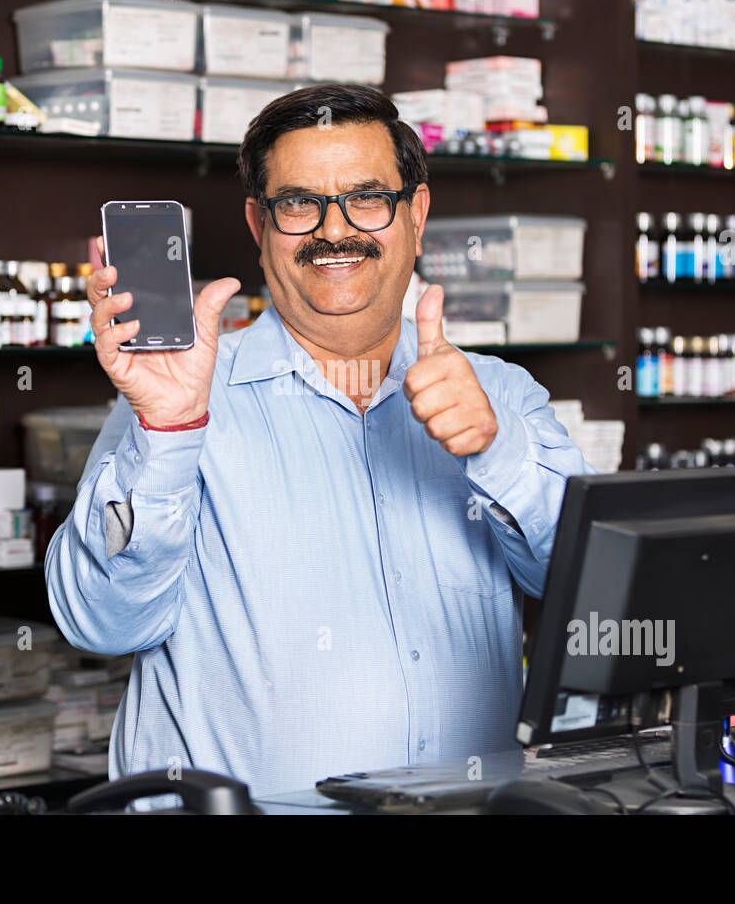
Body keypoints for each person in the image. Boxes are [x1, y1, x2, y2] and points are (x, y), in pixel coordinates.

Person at [45, 84, 594, 799]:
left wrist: (497, 452)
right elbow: (100, 622)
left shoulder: (499, 397)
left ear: (416, 212)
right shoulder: (180, 398)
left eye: (367, 198)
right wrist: (169, 432)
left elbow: (589, 598)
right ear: (259, 222)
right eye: (299, 202)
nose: (334, 231)